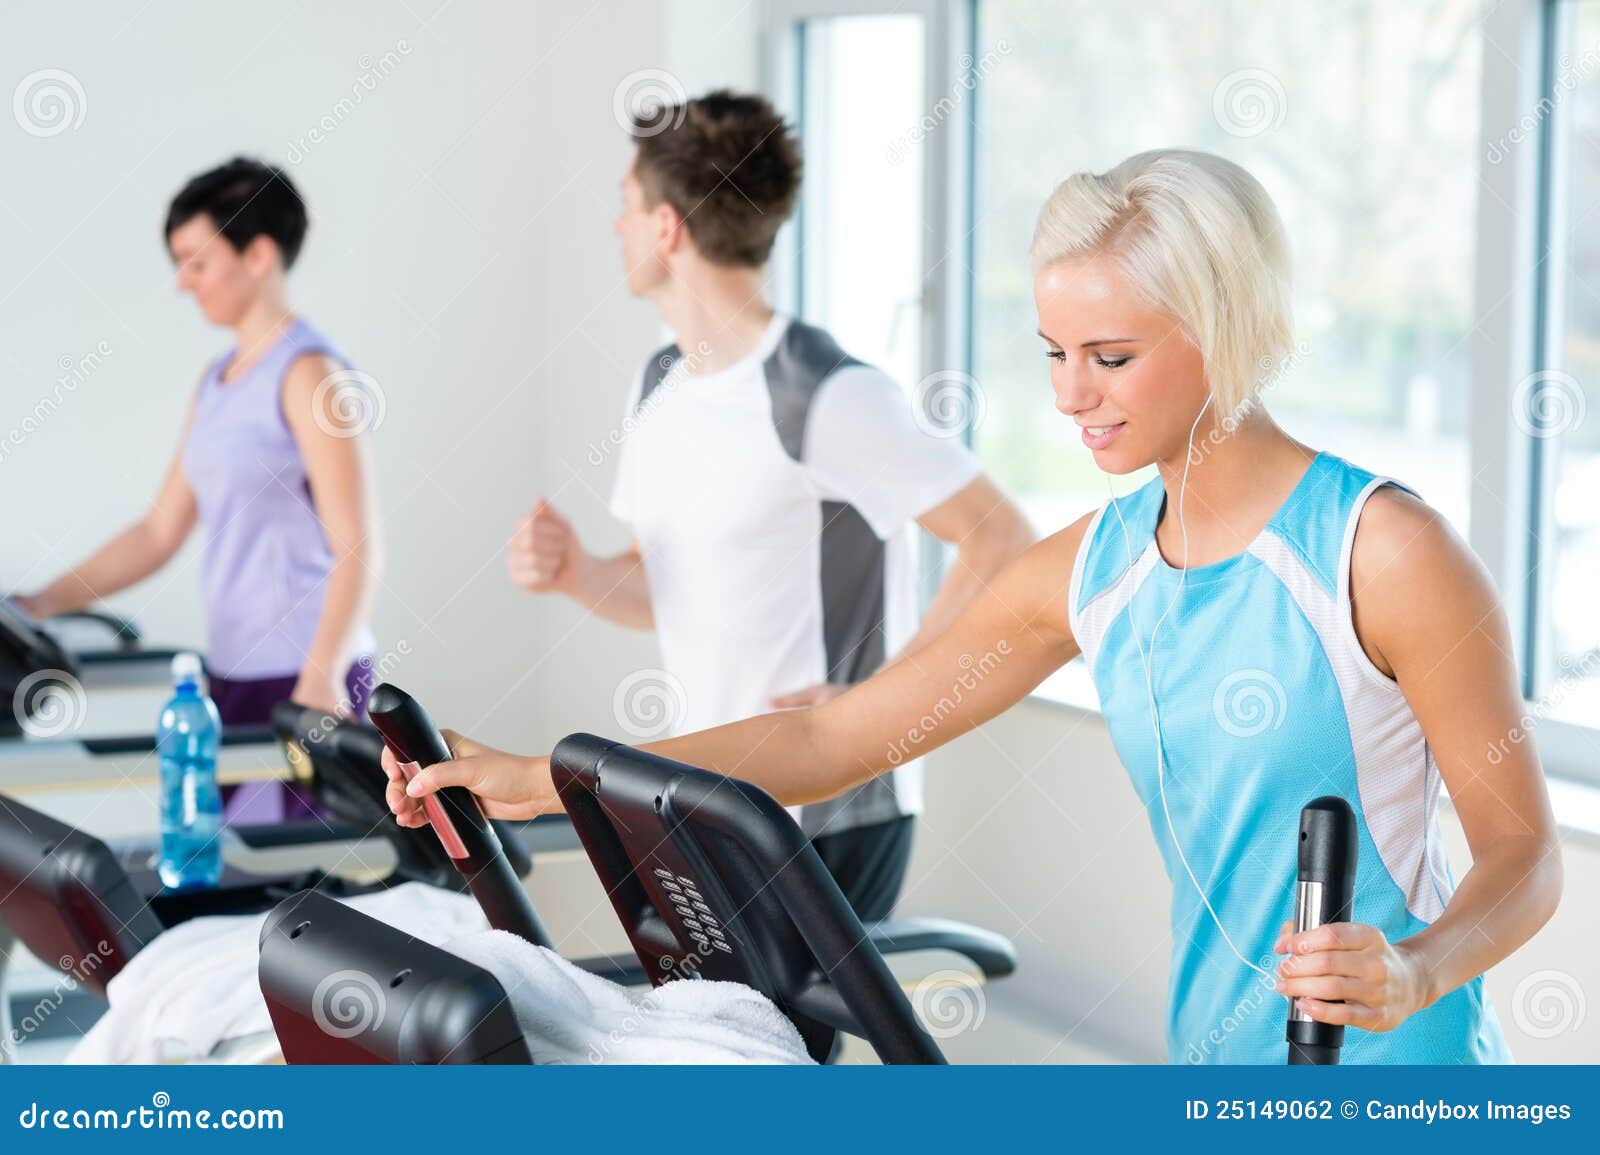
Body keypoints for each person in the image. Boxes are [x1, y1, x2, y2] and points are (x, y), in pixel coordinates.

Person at [391, 149, 1560, 1064]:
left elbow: (1523, 854)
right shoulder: (1092, 569)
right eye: (1053, 352)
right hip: (1211, 1062)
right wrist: (544, 773)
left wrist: (1413, 969)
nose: (1068, 396)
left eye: (1108, 356)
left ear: (1221, 332)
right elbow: (829, 738)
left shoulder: (1381, 550)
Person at [505, 90, 1033, 948]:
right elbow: (660, 586)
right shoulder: (660, 380)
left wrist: (879, 700)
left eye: (626, 206)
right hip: (701, 791)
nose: (617, 229)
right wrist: (575, 572)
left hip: (825, 812)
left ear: (668, 227)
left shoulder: (822, 390)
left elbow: (999, 534)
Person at [17, 158, 382, 822]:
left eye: (197, 261)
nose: (183, 283)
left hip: (306, 672)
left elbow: (358, 544)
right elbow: (158, 532)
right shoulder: (217, 382)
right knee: (221, 876)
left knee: (297, 884)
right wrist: (39, 602)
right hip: (233, 671)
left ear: (258, 254)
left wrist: (323, 676)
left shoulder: (309, 373)